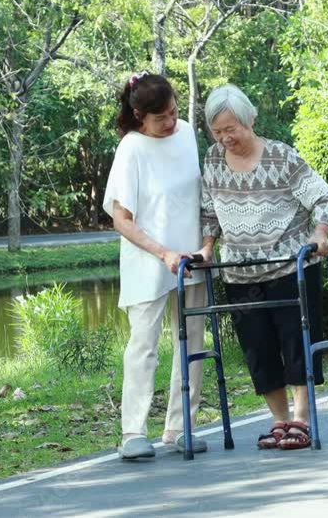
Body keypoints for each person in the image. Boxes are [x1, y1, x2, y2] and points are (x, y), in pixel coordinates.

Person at [198, 83, 328, 451]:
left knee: (296, 343)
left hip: (289, 266)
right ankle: (278, 420)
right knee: (257, 349)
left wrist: (320, 234)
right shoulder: (212, 160)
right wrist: (207, 247)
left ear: (250, 121)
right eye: (218, 131)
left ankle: (301, 419)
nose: (225, 138)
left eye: (232, 129)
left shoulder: (281, 157)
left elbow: (322, 195)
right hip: (240, 273)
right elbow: (209, 210)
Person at [102, 72, 208, 459]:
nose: (170, 122)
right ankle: (133, 431)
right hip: (149, 258)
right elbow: (121, 219)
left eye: (174, 112)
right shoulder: (131, 149)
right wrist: (163, 252)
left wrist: (204, 245)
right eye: (160, 117)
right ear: (138, 116)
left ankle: (182, 427)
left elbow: (199, 194)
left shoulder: (185, 134)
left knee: (192, 340)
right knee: (144, 344)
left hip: (192, 257)